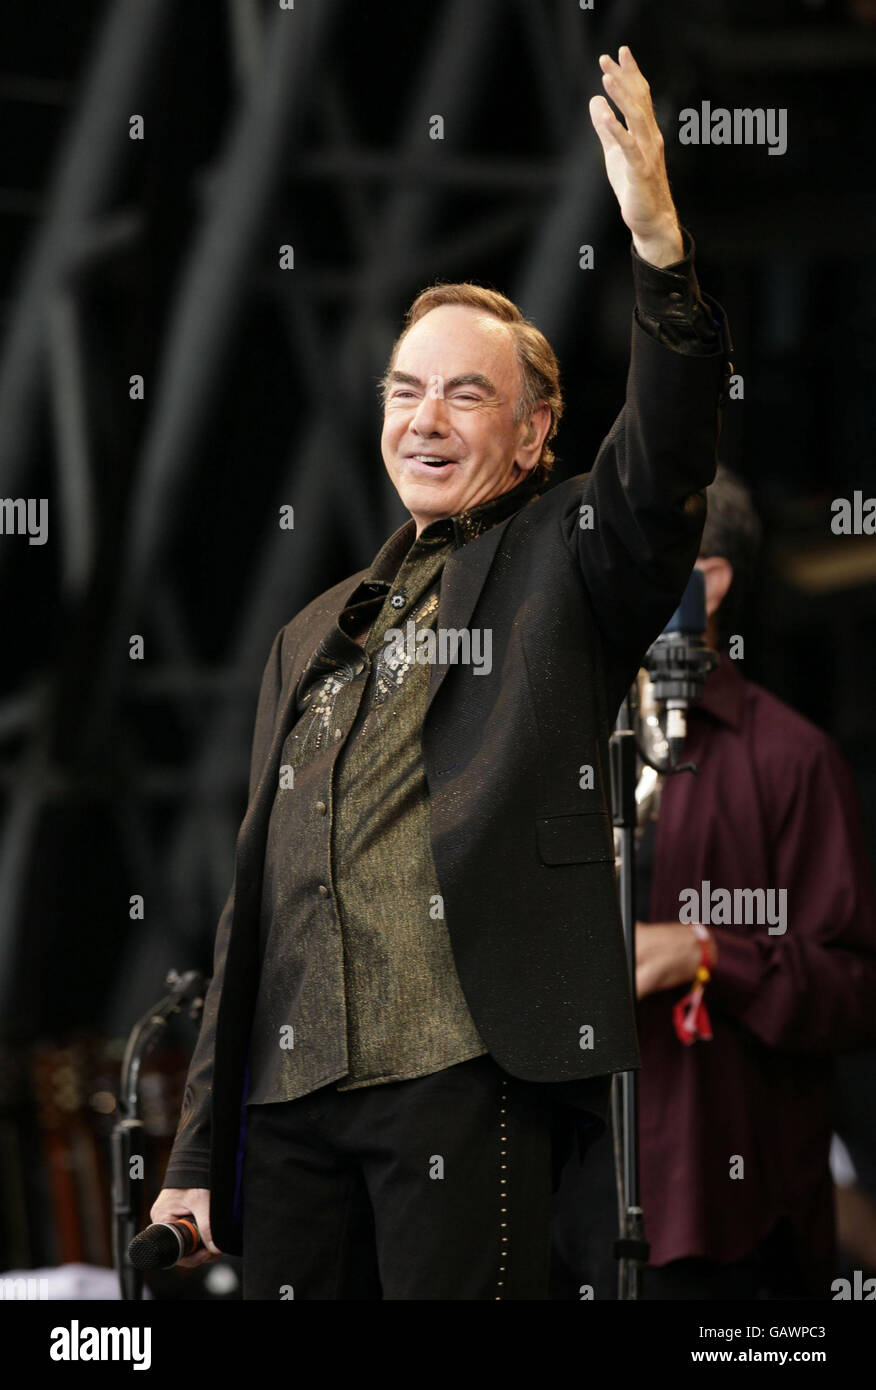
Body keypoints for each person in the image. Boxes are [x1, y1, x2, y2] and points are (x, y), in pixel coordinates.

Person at [150, 47, 731, 1300]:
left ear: (532, 436)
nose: (425, 417)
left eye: (467, 395)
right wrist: (201, 1147)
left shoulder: (565, 556)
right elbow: (253, 900)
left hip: (466, 1075)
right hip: (295, 1104)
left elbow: (667, 457)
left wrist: (660, 252)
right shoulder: (312, 632)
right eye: (406, 389)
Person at [551, 467, 876, 1299]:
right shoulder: (551, 748)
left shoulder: (792, 758)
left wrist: (702, 953)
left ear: (710, 580)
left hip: (721, 1223)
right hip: (551, 1210)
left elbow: (853, 991)